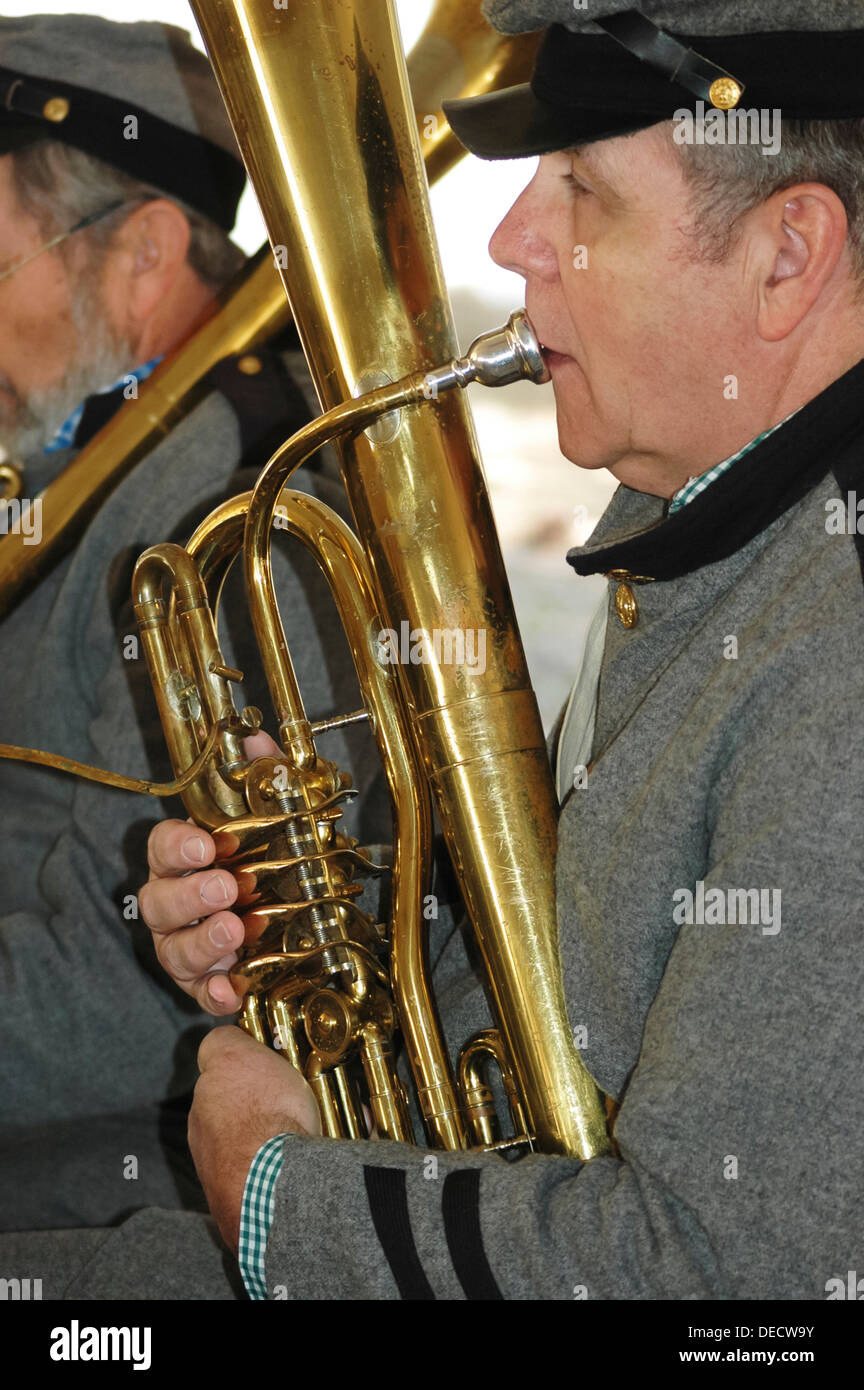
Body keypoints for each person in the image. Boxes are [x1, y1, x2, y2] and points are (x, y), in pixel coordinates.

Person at [139, 0, 864, 1302]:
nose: (508, 236)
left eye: (582, 192)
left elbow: (731, 1278)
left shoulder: (838, 656)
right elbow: (624, 1006)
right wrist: (320, 931)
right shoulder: (696, 508)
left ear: (786, 256)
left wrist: (272, 1195)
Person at [0, 13, 387, 1243]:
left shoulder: (236, 527)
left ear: (141, 255)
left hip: (97, 1220)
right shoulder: (93, 454)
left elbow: (127, 997)